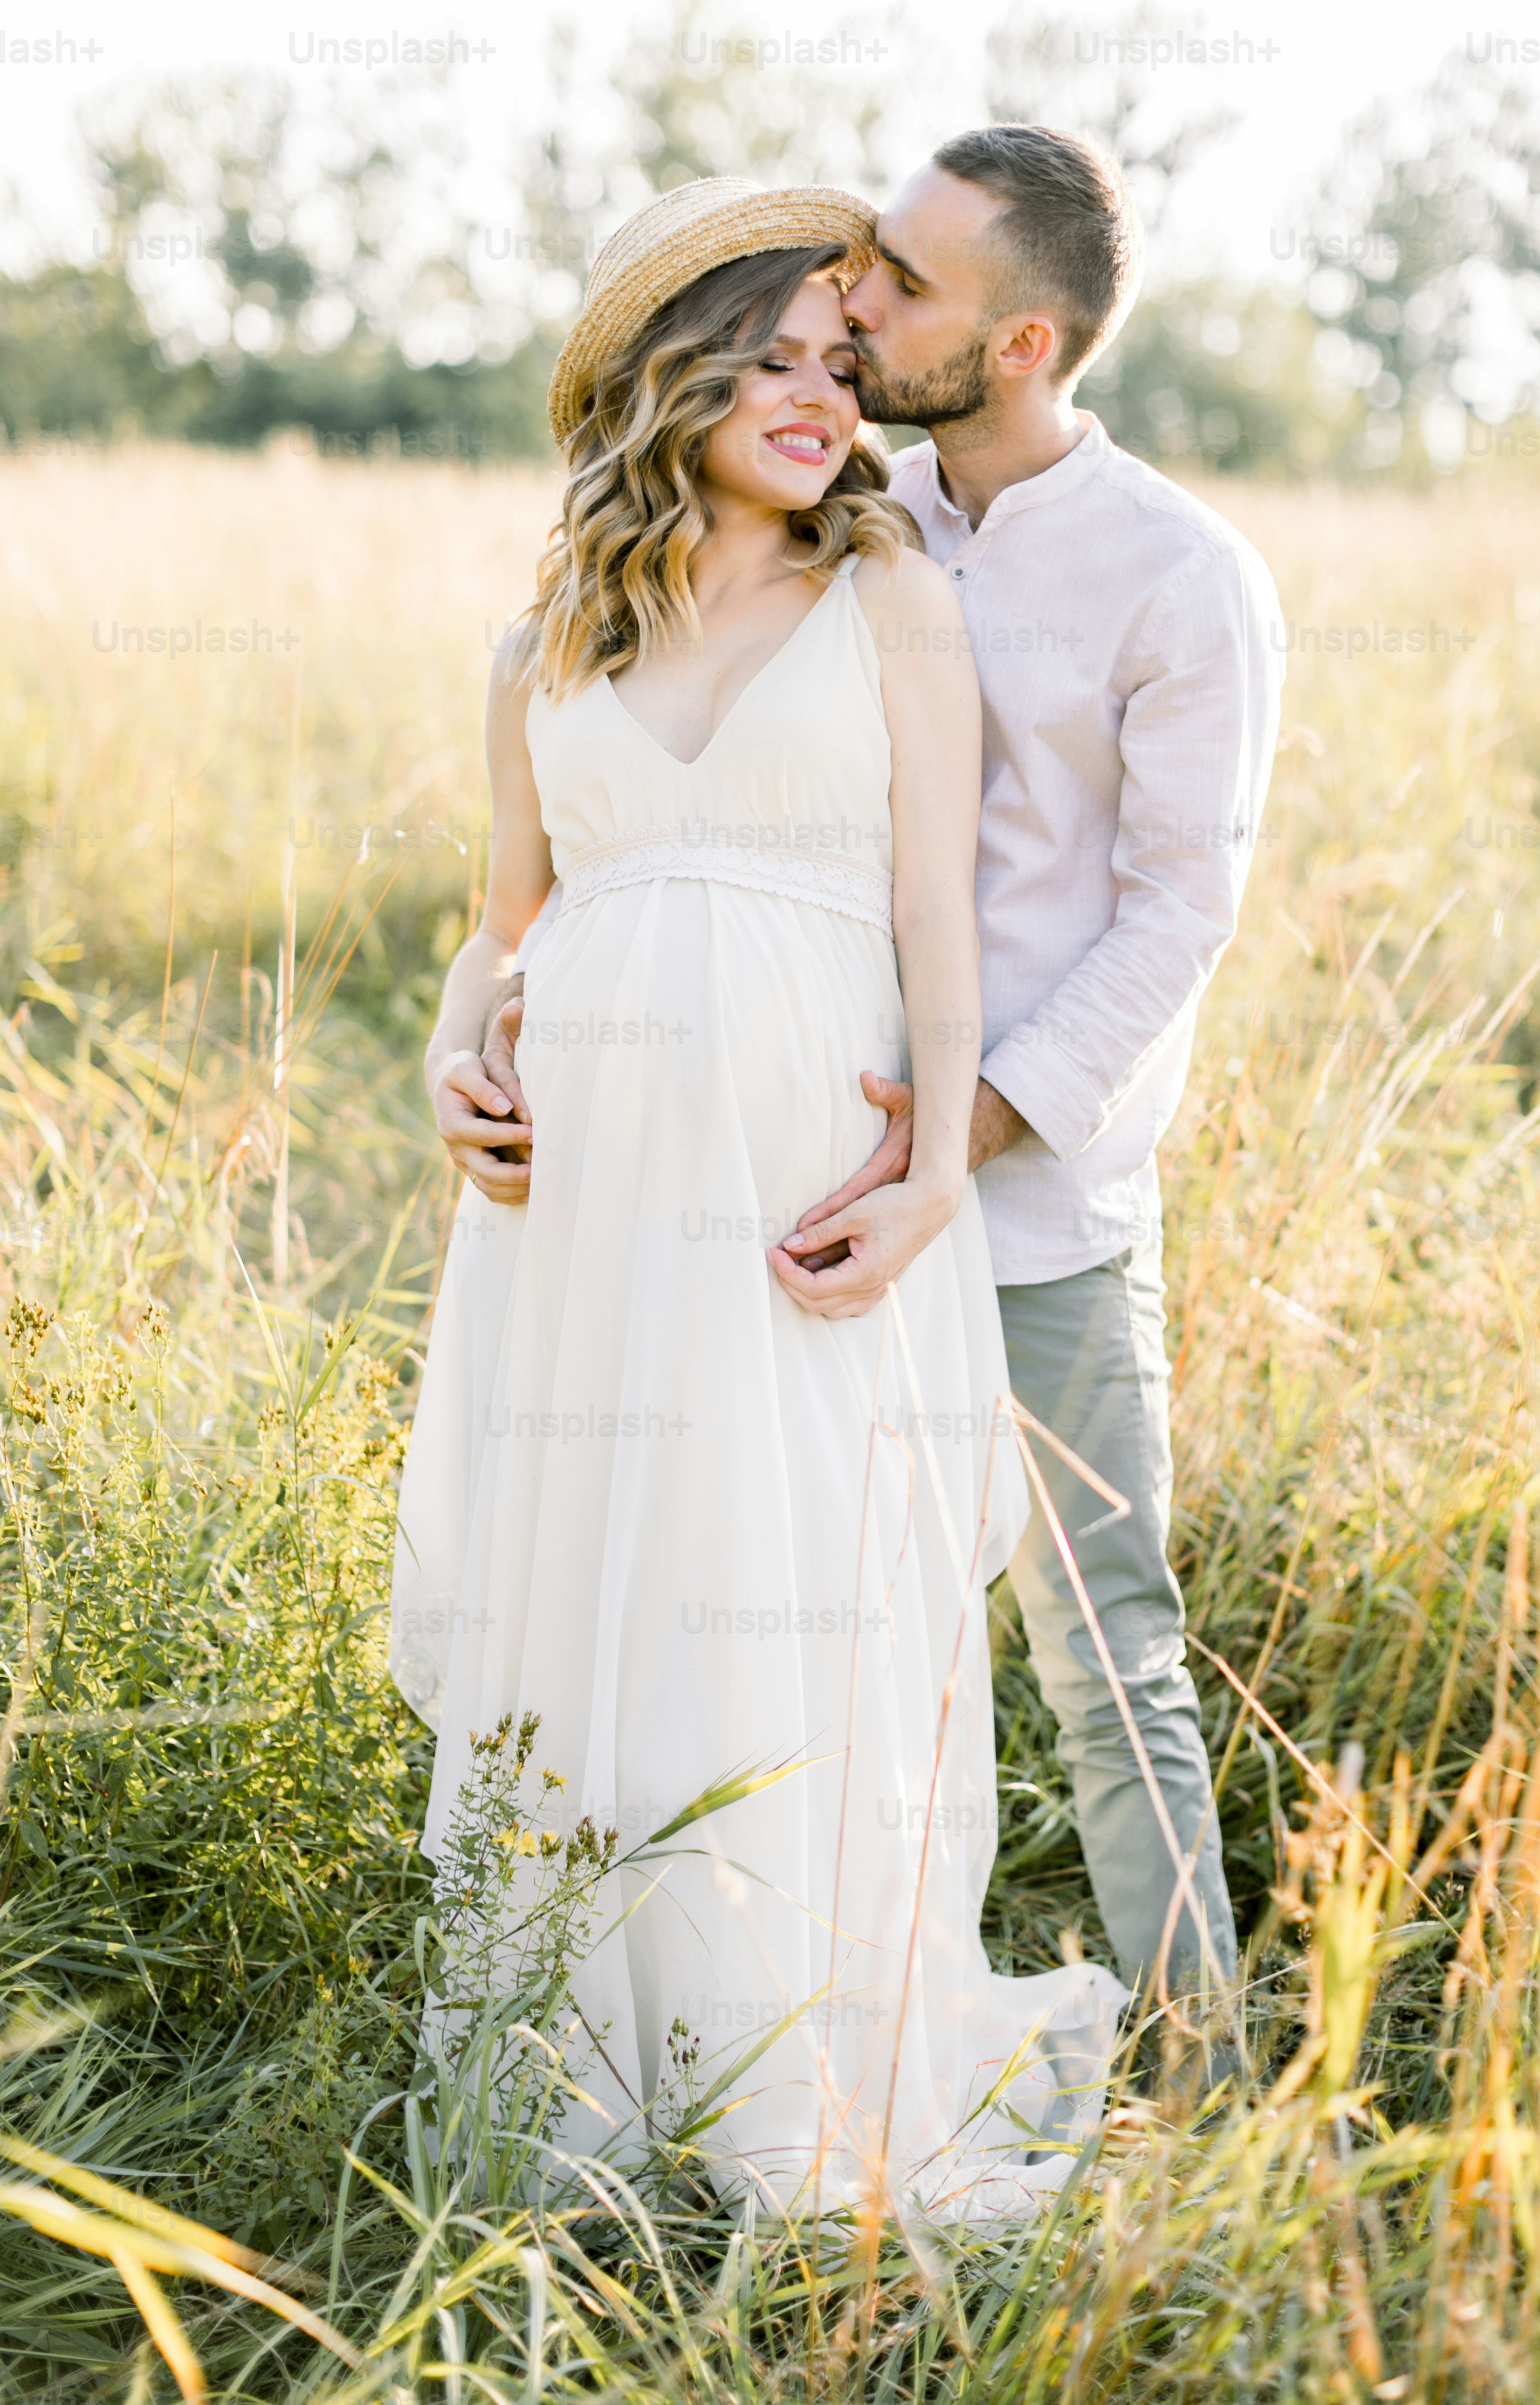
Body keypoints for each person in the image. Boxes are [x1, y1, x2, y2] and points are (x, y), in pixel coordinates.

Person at [478, 130, 1286, 2030]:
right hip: (780, 1191)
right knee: (813, 1626)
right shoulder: (859, 503)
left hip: (1029, 1195)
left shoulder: (1185, 574)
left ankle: (1208, 2060)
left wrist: (958, 1130)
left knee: (1105, 1642)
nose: (854, 300)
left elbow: (1183, 911)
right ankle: (771, 2007)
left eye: (898, 288)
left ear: (1015, 339)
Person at [390, 176, 1124, 2225]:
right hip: (584, 1221)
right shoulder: (548, 633)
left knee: (790, 1586)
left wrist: (925, 1191)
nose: (823, 395)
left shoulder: (890, 592)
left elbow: (938, 931)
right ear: (666, 373)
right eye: (774, 357)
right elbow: (503, 929)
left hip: (807, 1193)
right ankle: (580, 2059)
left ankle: (791, 2064)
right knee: (596, 1585)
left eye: (841, 360)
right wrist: (459, 1055)